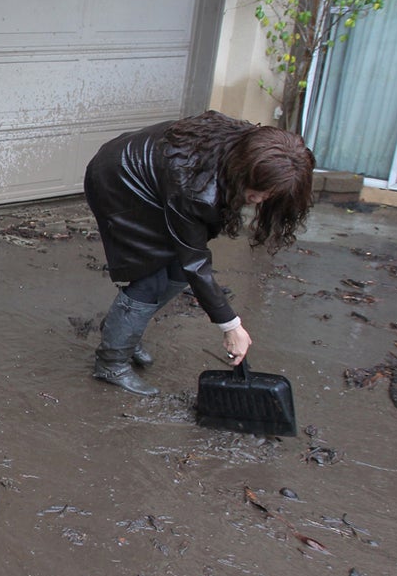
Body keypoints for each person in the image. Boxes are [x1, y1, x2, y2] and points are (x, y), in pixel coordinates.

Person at [83, 110, 315, 395]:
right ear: (244, 170)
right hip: (119, 178)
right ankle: (111, 363)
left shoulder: (242, 150)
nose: (261, 199)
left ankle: (123, 328)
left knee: (177, 272)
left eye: (269, 194)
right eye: (259, 190)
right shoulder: (194, 189)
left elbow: (188, 261)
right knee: (149, 278)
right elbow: (196, 260)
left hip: (156, 179)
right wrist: (231, 326)